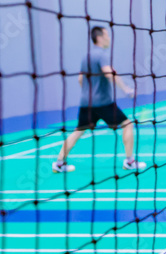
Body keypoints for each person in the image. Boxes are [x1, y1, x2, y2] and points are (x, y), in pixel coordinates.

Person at [53, 26, 146, 173]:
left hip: (86, 102)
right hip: (103, 103)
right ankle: (129, 161)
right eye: (107, 35)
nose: (109, 38)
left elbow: (80, 79)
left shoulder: (86, 56)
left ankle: (59, 163)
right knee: (127, 125)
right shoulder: (102, 55)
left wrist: (89, 91)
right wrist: (126, 89)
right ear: (100, 37)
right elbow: (109, 73)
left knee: (78, 131)